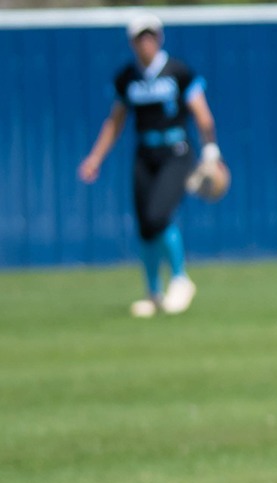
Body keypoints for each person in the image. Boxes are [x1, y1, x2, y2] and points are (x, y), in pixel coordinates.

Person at [77, 12, 219, 317]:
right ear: (132, 42)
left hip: (176, 150)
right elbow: (115, 122)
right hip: (145, 152)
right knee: (144, 226)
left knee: (158, 215)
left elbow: (203, 115)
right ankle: (153, 292)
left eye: (151, 35)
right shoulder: (127, 77)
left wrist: (211, 152)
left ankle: (180, 280)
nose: (146, 42)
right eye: (141, 37)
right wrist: (95, 157)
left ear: (160, 38)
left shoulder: (177, 71)